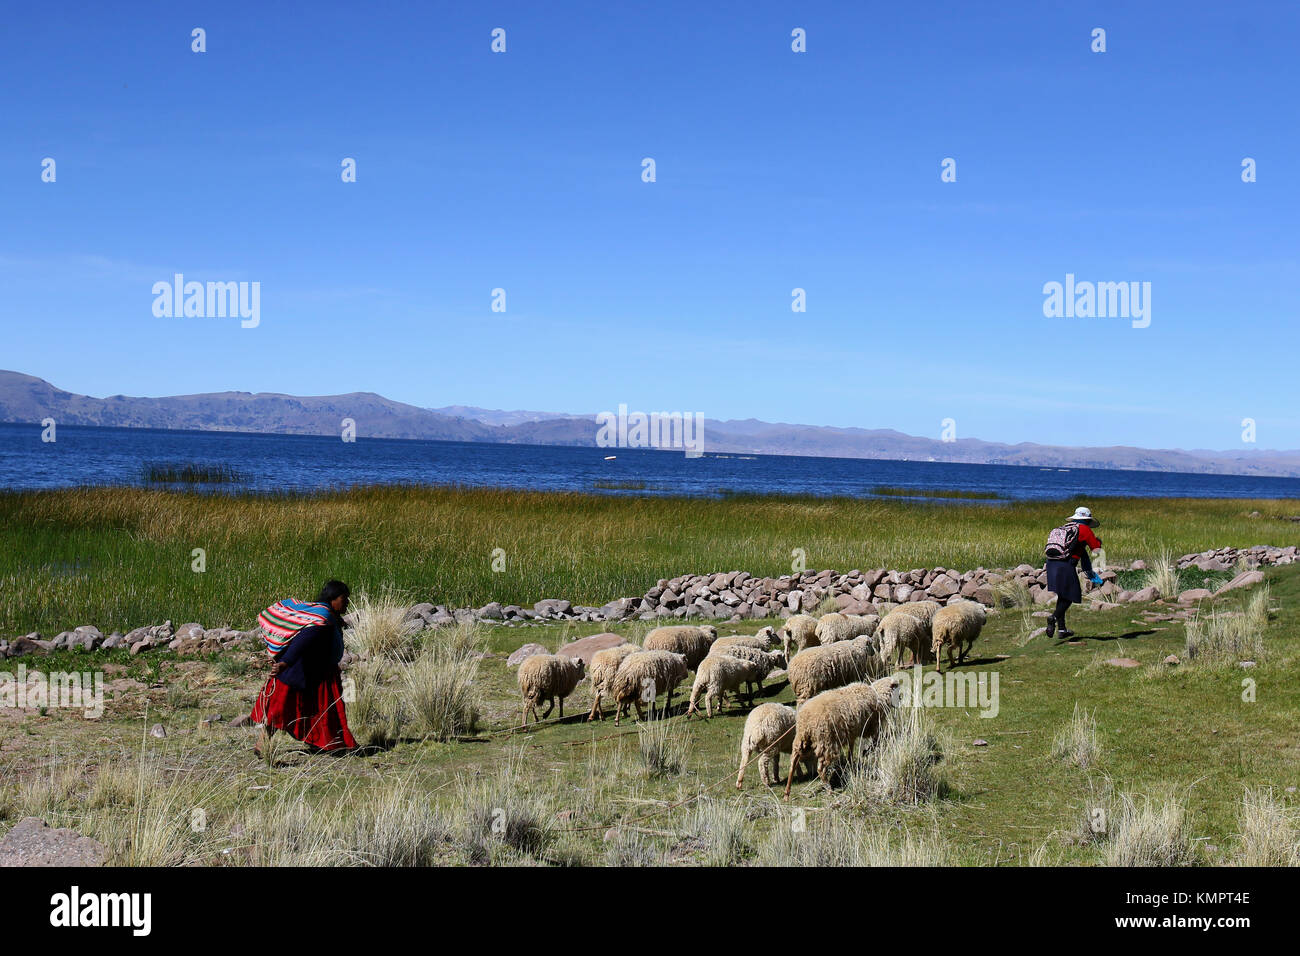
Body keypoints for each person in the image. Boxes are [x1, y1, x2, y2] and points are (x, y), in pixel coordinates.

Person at [251, 580, 357, 755]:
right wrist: (285, 663)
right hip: (301, 671)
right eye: (343, 598)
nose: (346, 603)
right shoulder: (322, 617)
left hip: (313, 671)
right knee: (283, 709)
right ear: (332, 599)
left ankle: (322, 743)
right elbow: (304, 640)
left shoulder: (325, 613)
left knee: (301, 709)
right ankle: (263, 743)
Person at [1045, 506, 1103, 639]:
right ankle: (1053, 618)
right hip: (1065, 565)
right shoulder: (1084, 529)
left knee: (1063, 595)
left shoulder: (1066, 528)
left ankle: (1062, 630)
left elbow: (1080, 552)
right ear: (1087, 520)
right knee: (1071, 595)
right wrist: (1099, 542)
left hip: (1051, 563)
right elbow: (1096, 549)